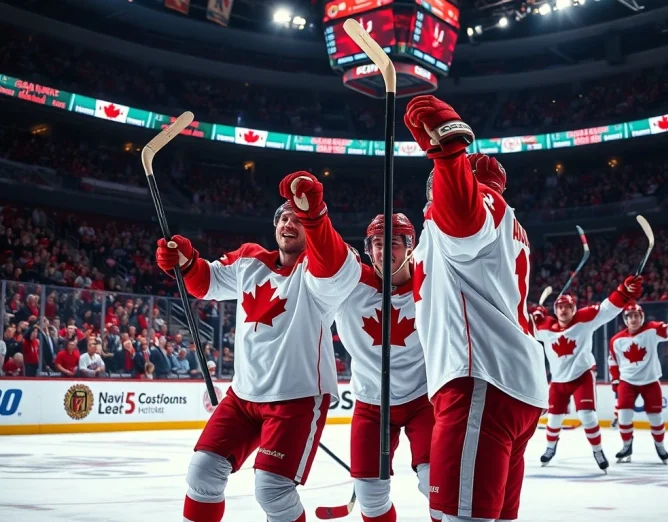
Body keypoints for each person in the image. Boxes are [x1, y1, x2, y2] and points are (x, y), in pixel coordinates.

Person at [155, 171, 360, 522]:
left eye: (297, 219)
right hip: (244, 396)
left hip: (297, 397)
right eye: (282, 218)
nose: (287, 223)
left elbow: (335, 265)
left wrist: (315, 214)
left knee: (272, 488)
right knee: (202, 474)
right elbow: (205, 282)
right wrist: (186, 262)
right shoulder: (250, 260)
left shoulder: (319, 270)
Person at [404, 95, 548, 522]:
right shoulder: (513, 228)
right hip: (515, 386)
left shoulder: (475, 207)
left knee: (457, 516)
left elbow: (464, 219)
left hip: (481, 378)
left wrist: (446, 154)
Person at [334, 213, 440, 522]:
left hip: (424, 401)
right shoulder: (350, 285)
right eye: (377, 244)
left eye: (392, 243)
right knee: (369, 495)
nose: (383, 251)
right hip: (372, 406)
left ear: (410, 247)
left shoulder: (431, 284)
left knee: (438, 488)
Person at [532, 278, 643, 471]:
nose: (563, 310)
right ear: (555, 309)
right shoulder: (545, 327)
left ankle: (597, 450)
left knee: (588, 416)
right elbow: (523, 329)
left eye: (567, 306)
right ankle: (550, 448)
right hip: (558, 380)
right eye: (559, 307)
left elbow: (608, 309)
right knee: (553, 419)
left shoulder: (584, 319)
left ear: (574, 309)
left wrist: (623, 292)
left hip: (582, 376)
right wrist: (533, 316)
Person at [608, 303, 668, 463]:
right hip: (627, 382)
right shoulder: (616, 340)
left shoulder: (651, 330)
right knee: (624, 416)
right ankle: (626, 446)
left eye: (636, 316)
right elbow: (613, 362)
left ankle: (660, 445)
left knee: (656, 417)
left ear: (642, 317)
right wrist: (616, 383)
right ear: (625, 319)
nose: (633, 319)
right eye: (630, 316)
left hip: (650, 381)